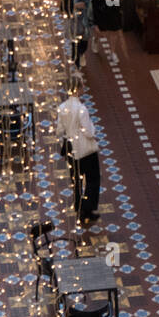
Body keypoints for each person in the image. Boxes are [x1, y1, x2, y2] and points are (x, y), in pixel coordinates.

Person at [57, 82, 101, 223]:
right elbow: (88, 132)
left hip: (70, 147)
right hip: (84, 149)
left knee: (76, 179)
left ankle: (78, 207)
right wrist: (93, 131)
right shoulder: (81, 109)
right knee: (93, 179)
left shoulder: (62, 108)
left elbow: (59, 130)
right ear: (78, 89)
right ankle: (87, 209)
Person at [63, 0, 92, 67]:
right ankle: (76, 63)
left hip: (85, 21)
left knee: (84, 43)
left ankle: (81, 54)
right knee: (74, 44)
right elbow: (63, 6)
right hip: (73, 21)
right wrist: (74, 6)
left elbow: (92, 4)